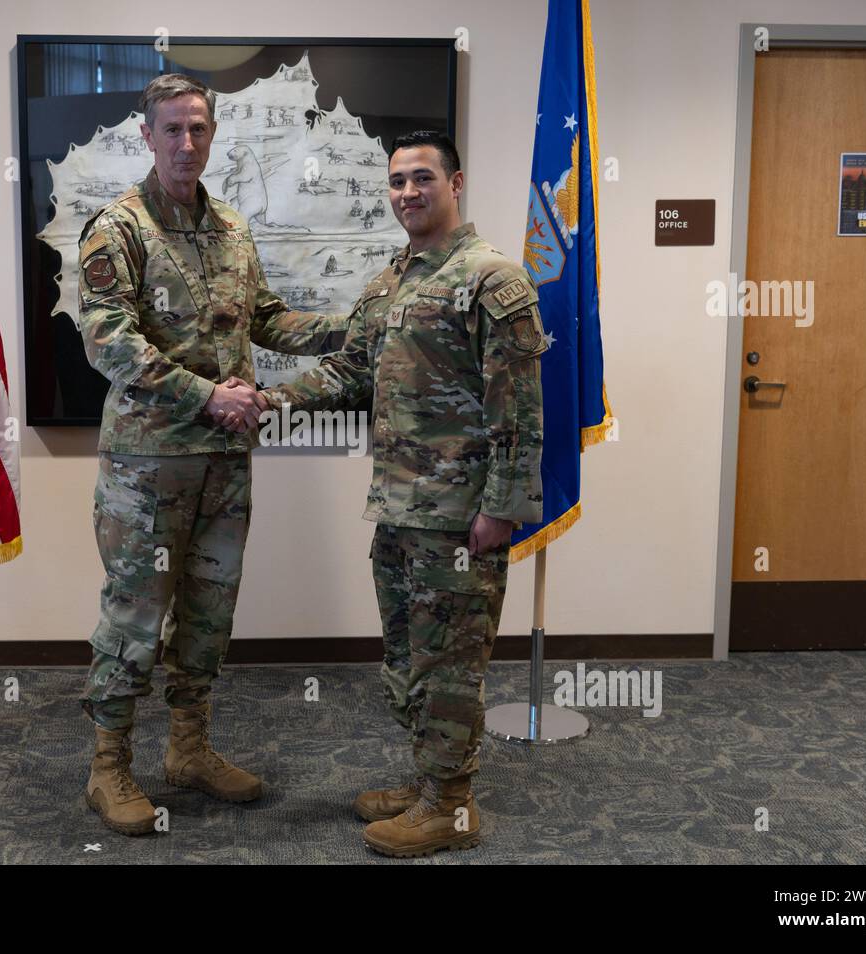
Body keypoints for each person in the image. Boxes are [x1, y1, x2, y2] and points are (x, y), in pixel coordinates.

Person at [255, 131, 548, 856]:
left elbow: (519, 409)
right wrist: (269, 400)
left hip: (457, 517)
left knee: (451, 662)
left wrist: (501, 506)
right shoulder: (394, 282)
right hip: (398, 507)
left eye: (423, 178)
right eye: (396, 182)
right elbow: (350, 371)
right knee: (409, 658)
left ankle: (451, 806)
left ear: (457, 182)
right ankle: (430, 782)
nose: (408, 193)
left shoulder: (492, 280)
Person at [76, 74, 346, 835]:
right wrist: (206, 396)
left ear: (212, 132)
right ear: (147, 135)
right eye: (172, 129)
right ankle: (109, 767)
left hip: (224, 465)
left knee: (208, 614)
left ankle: (189, 749)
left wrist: (346, 325)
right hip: (149, 468)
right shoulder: (118, 229)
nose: (186, 143)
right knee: (134, 617)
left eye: (198, 128)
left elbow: (262, 317)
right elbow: (110, 342)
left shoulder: (230, 225)